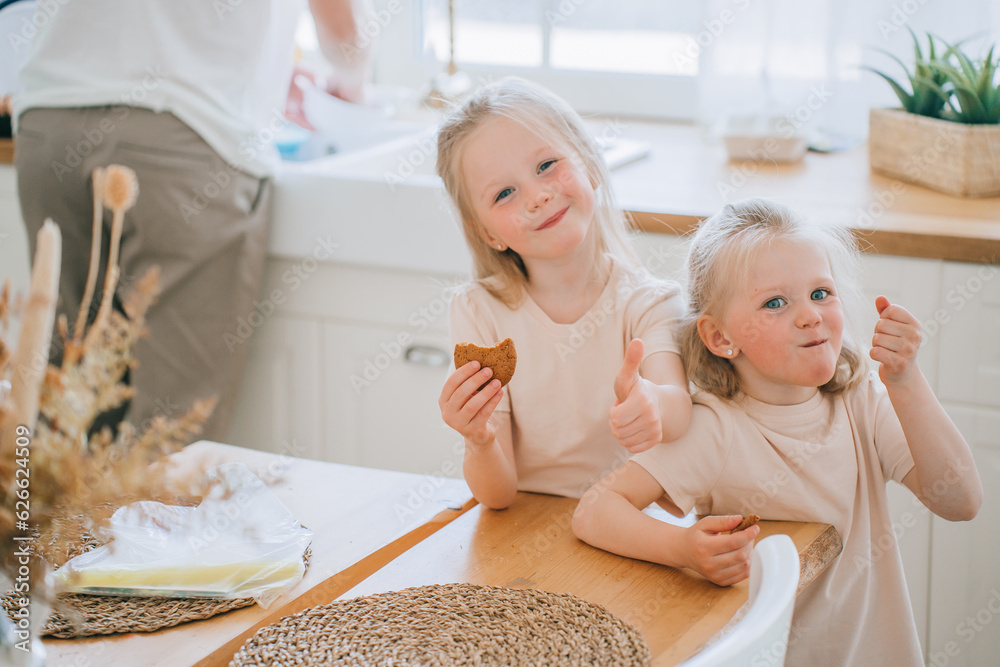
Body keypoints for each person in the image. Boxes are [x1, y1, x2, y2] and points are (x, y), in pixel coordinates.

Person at [571, 198, 983, 665]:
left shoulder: (860, 399)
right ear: (720, 337)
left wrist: (906, 381)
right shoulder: (716, 430)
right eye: (775, 303)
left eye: (821, 293)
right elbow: (595, 511)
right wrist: (683, 547)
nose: (810, 315)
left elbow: (961, 501)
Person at [13, 0, 371, 441]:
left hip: (49, 126)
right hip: (185, 133)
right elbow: (340, 22)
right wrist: (351, 84)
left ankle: (46, 512)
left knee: (65, 421)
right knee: (166, 440)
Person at [436, 77, 693, 510]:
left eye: (546, 165)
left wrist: (653, 405)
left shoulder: (649, 304)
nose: (537, 196)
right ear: (487, 233)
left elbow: (678, 408)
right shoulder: (479, 312)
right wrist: (477, 439)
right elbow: (496, 496)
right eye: (504, 193)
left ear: (590, 165)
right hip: (524, 527)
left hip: (626, 522)